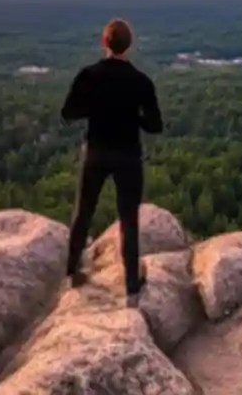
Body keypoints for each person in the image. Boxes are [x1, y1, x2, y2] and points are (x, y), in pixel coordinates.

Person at [61, 18, 163, 304]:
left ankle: (71, 274)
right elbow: (155, 125)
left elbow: (69, 112)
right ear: (129, 45)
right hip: (128, 155)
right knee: (128, 220)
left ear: (104, 42)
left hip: (96, 151)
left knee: (83, 212)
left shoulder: (89, 75)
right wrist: (133, 116)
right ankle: (131, 289)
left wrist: (96, 107)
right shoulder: (141, 81)